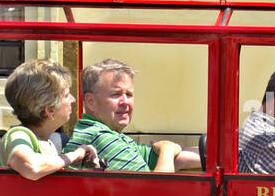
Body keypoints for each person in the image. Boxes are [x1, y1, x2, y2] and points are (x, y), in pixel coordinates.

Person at [62, 58, 198, 171]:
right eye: (116, 94)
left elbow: (179, 159)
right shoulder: (100, 137)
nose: (125, 102)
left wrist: (213, 154)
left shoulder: (112, 135)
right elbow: (157, 189)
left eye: (129, 94)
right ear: (90, 102)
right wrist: (167, 150)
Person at [0, 59, 99, 179]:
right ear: (50, 109)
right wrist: (75, 155)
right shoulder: (19, 135)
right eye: (66, 95)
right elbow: (32, 167)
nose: (73, 100)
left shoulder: (46, 142)